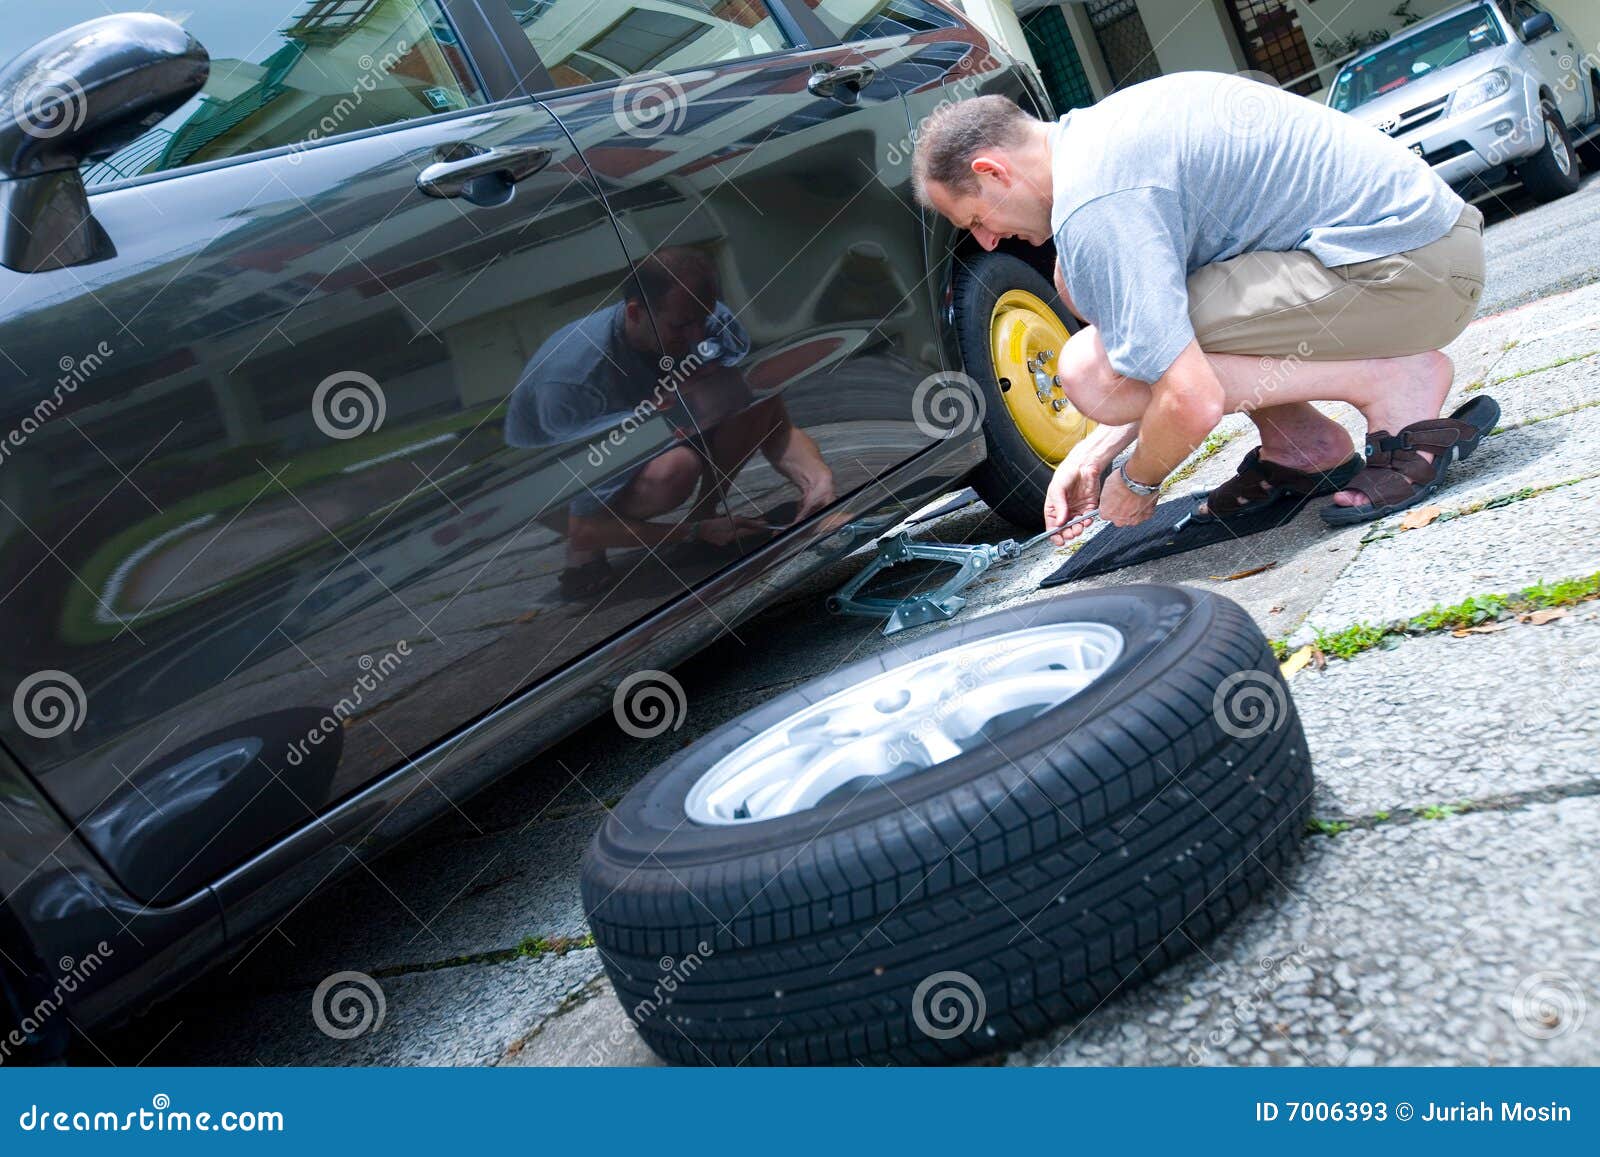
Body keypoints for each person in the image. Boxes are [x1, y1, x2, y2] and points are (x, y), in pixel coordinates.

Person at [911, 72, 1495, 543]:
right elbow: (1162, 347)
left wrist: (1136, 483)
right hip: (1422, 253)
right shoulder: (1099, 135)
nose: (987, 241)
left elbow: (1189, 395)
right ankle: (1302, 446)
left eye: (977, 221)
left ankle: (1394, 382)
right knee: (1087, 289)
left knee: (1091, 369)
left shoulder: (1098, 204)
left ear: (992, 171)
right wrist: (1093, 452)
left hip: (1412, 274)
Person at [506, 247, 834, 597]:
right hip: (552, 488)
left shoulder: (709, 323)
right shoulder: (577, 383)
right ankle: (594, 554)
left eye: (702, 319)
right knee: (674, 471)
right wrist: (687, 534)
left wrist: (816, 477)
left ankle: (703, 516)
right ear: (635, 313)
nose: (696, 339)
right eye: (681, 326)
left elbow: (771, 419)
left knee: (746, 396)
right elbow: (584, 525)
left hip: (653, 423)